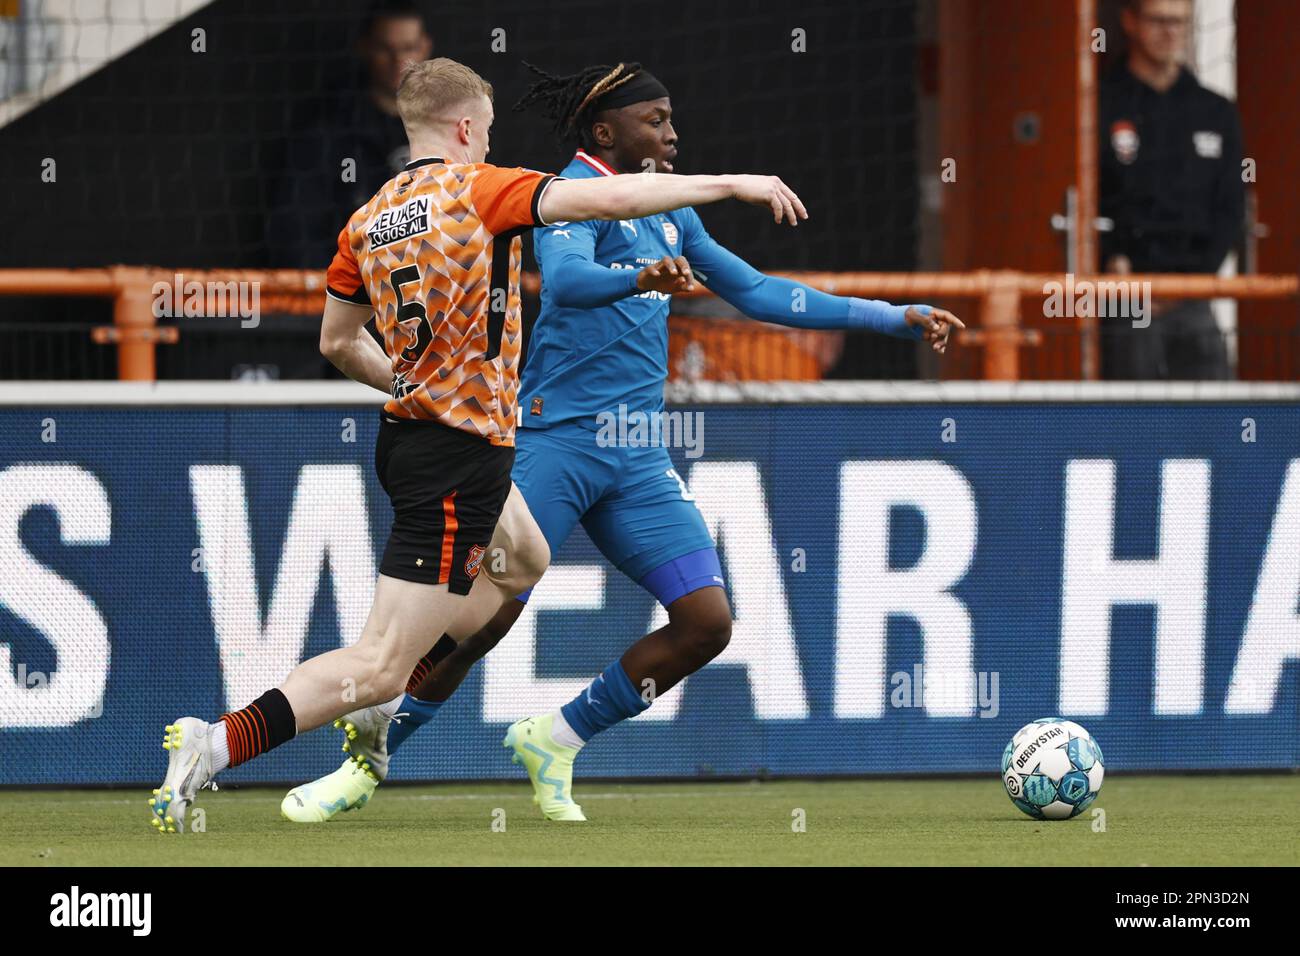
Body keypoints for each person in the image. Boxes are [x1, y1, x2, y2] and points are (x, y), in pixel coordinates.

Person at [281, 61, 963, 824]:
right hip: (553, 442)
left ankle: (559, 735)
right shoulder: (570, 195)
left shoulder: (673, 217)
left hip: (637, 455)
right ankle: (370, 759)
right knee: (485, 615)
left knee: (706, 624)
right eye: (658, 120)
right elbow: (567, 283)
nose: (672, 134)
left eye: (672, 120)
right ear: (606, 131)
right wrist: (639, 277)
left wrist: (891, 315)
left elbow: (764, 293)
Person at [149, 56, 813, 834]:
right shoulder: (484, 189)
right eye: (488, 132)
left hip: (436, 444)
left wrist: (405, 385)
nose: (490, 144)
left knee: (526, 558)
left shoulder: (367, 219)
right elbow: (617, 193)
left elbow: (337, 341)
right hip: (455, 460)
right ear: (465, 128)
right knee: (376, 665)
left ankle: (382, 706)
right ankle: (217, 742)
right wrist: (732, 184)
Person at [1098, 0, 1244, 380]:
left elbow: (1231, 209)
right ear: (1130, 21)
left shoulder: (1216, 111)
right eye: (1159, 20)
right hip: (1127, 294)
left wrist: (1191, 283)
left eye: (1180, 22)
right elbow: (1088, 197)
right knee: (1132, 417)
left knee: (1214, 412)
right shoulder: (1100, 105)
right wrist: (1112, 258)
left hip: (1194, 292)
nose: (1170, 32)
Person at [266, 1, 434, 268]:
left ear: (425, 47)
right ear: (365, 47)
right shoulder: (328, 130)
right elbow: (294, 228)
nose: (398, 62)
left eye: (408, 48)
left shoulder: (446, 124)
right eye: (385, 49)